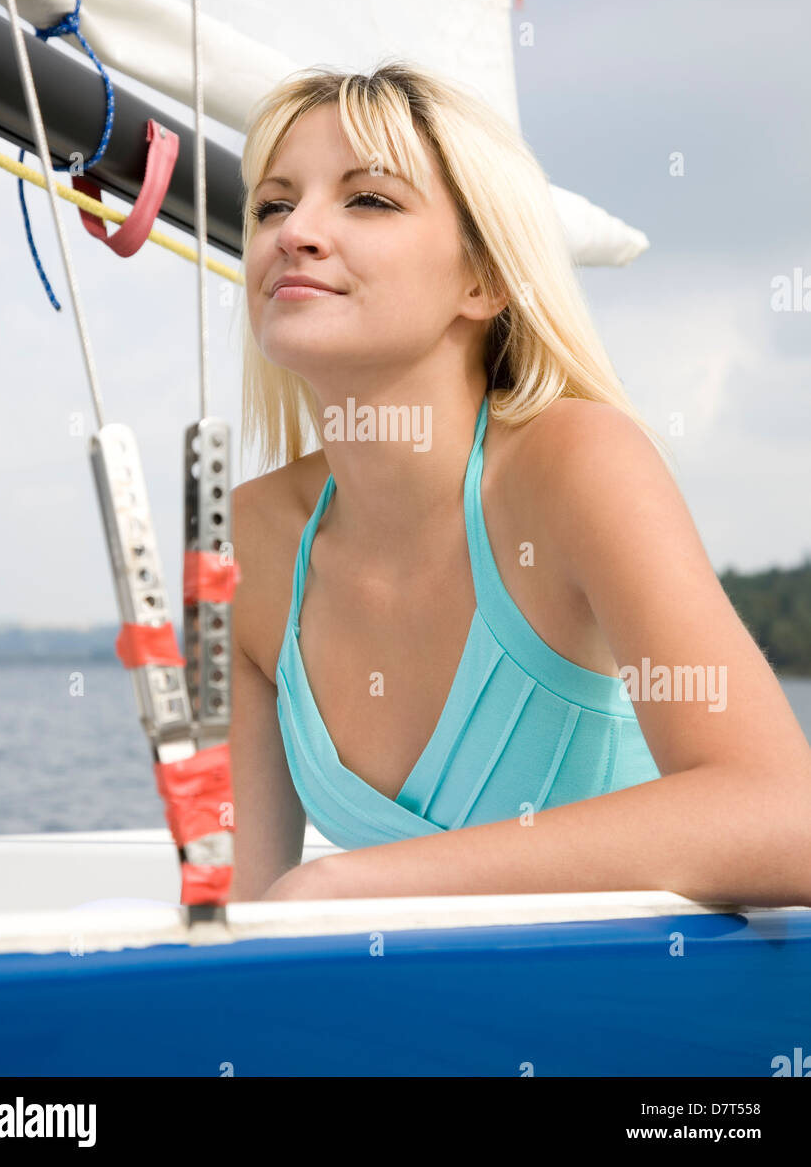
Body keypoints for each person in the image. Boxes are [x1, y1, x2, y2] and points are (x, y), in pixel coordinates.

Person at [227, 59, 811, 907]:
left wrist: (356, 883)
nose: (295, 232)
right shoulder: (248, 541)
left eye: (370, 199)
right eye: (273, 204)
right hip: (436, 1036)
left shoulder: (576, 463)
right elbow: (232, 914)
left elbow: (785, 813)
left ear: (485, 278)